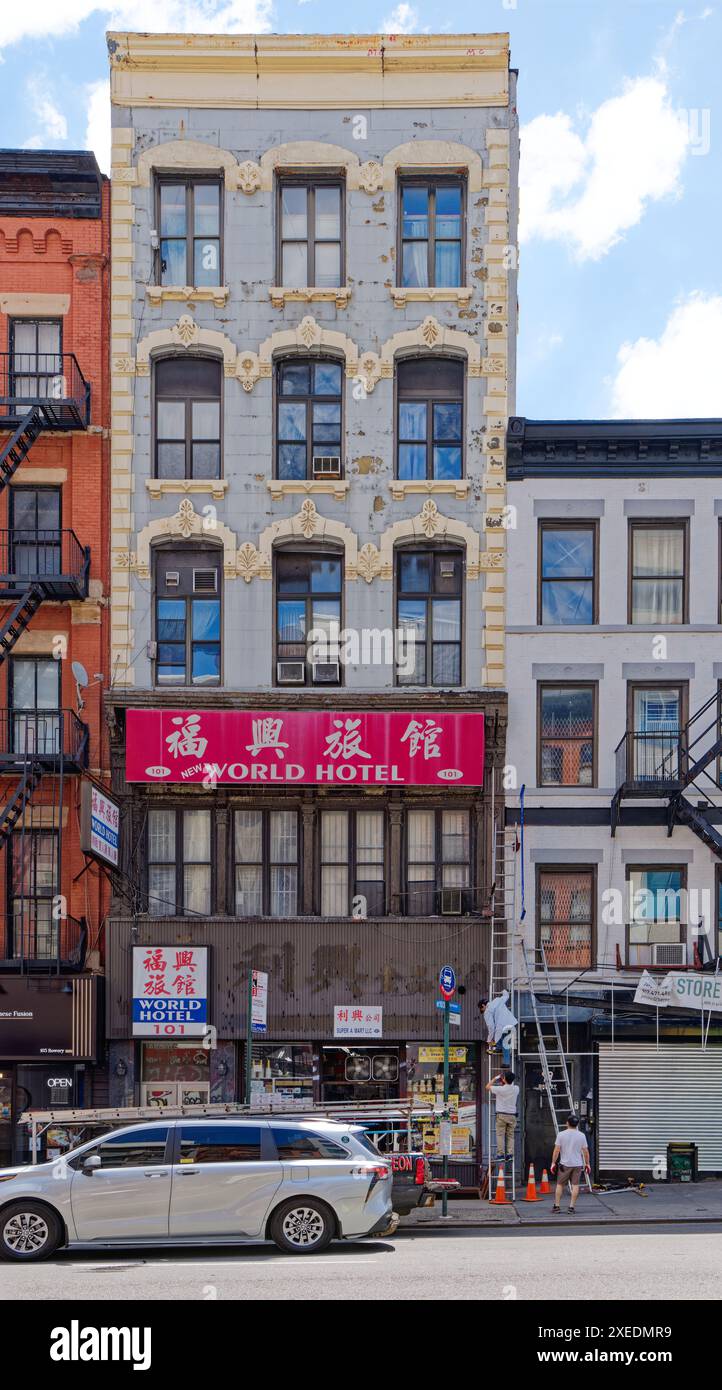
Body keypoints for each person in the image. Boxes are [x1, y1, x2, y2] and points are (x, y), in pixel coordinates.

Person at [550, 1113, 591, 1213]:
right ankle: (571, 1207)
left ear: (567, 1123)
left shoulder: (561, 1134)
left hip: (565, 1164)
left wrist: (553, 1163)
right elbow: (585, 1151)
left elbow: (556, 1150)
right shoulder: (581, 1135)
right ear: (577, 1124)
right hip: (577, 1164)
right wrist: (587, 1164)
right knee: (575, 1185)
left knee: (560, 1185)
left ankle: (557, 1206)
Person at [485, 1069, 519, 1160]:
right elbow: (510, 1083)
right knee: (510, 1135)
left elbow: (487, 1086)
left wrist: (495, 1078)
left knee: (500, 1135)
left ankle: (500, 1154)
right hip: (512, 1115)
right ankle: (510, 1154)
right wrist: (505, 1079)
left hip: (501, 1115)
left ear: (503, 1079)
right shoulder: (516, 1089)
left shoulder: (500, 1089)